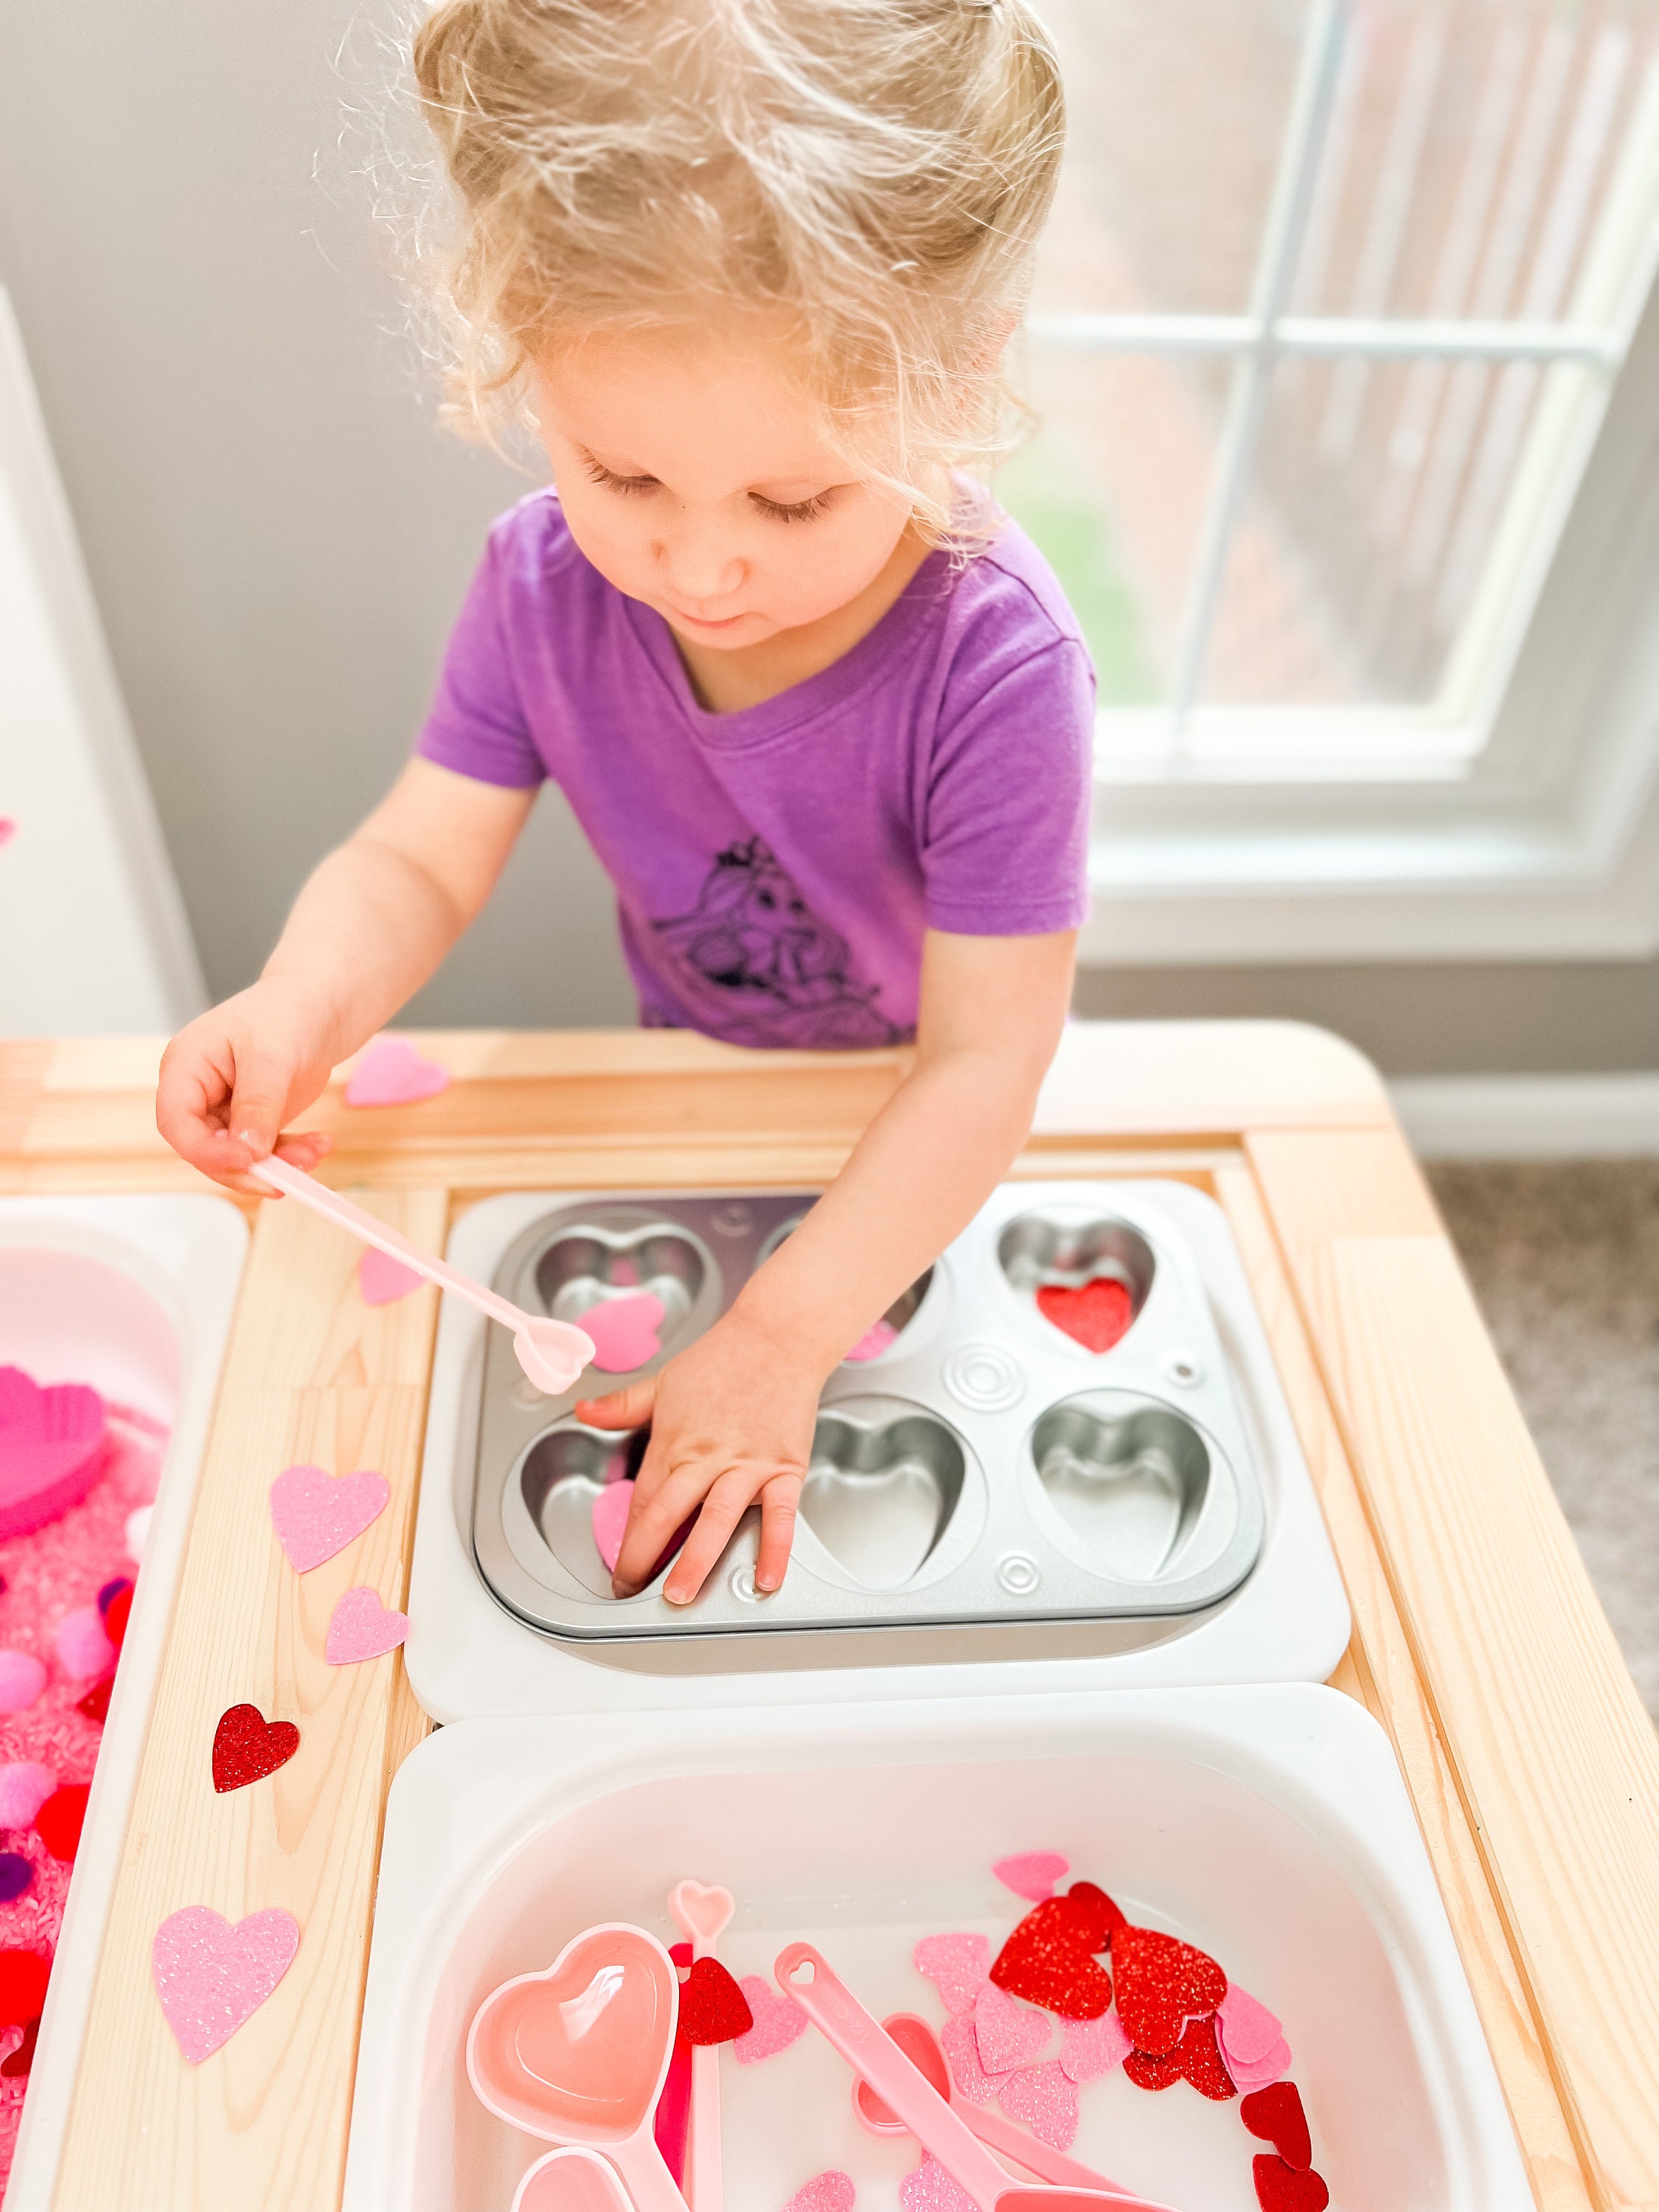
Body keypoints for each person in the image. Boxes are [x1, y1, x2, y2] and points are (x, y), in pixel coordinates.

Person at [156, 0, 1094, 1608]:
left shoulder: (999, 665)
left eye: (793, 498)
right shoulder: (540, 584)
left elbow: (985, 1059)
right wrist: (303, 1002)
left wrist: (786, 1336)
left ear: (956, 384)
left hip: (915, 1136)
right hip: (693, 1090)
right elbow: (418, 858)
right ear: (532, 362)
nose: (701, 567)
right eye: (625, 477)